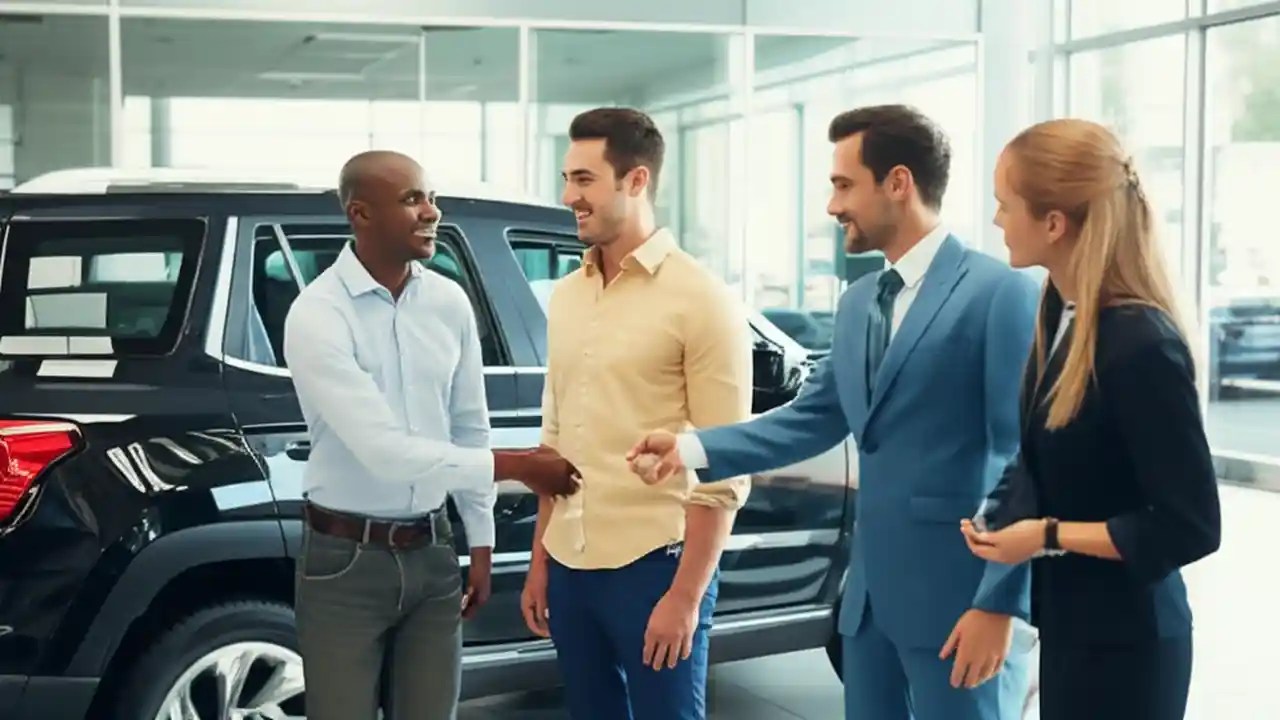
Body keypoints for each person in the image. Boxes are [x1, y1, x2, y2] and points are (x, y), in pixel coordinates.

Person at [628, 104, 1039, 720]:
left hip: (960, 603)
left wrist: (1000, 604)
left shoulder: (1000, 293)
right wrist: (689, 448)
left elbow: (1024, 458)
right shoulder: (855, 304)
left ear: (897, 183)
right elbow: (812, 420)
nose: (832, 205)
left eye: (844, 185)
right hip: (867, 607)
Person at [283, 149, 580, 720]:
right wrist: (518, 465)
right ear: (361, 214)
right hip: (345, 563)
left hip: (434, 556)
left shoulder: (448, 301)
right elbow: (385, 452)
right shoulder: (317, 314)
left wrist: (481, 543)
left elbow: (469, 424)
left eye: (431, 197)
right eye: (413, 199)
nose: (432, 212)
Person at [958, 118, 1222, 720]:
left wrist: (1045, 536)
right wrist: (999, 517)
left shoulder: (1139, 343)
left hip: (1132, 648)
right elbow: (1042, 453)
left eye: (1005, 205)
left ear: (1054, 223)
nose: (997, 221)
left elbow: (1191, 526)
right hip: (1075, 629)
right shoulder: (1059, 311)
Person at [520, 107, 753, 720]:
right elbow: (555, 439)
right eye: (567, 178)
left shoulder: (702, 299)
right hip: (571, 564)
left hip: (656, 568)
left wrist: (686, 598)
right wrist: (541, 562)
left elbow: (725, 468)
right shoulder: (568, 296)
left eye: (585, 180)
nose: (569, 195)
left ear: (637, 181)